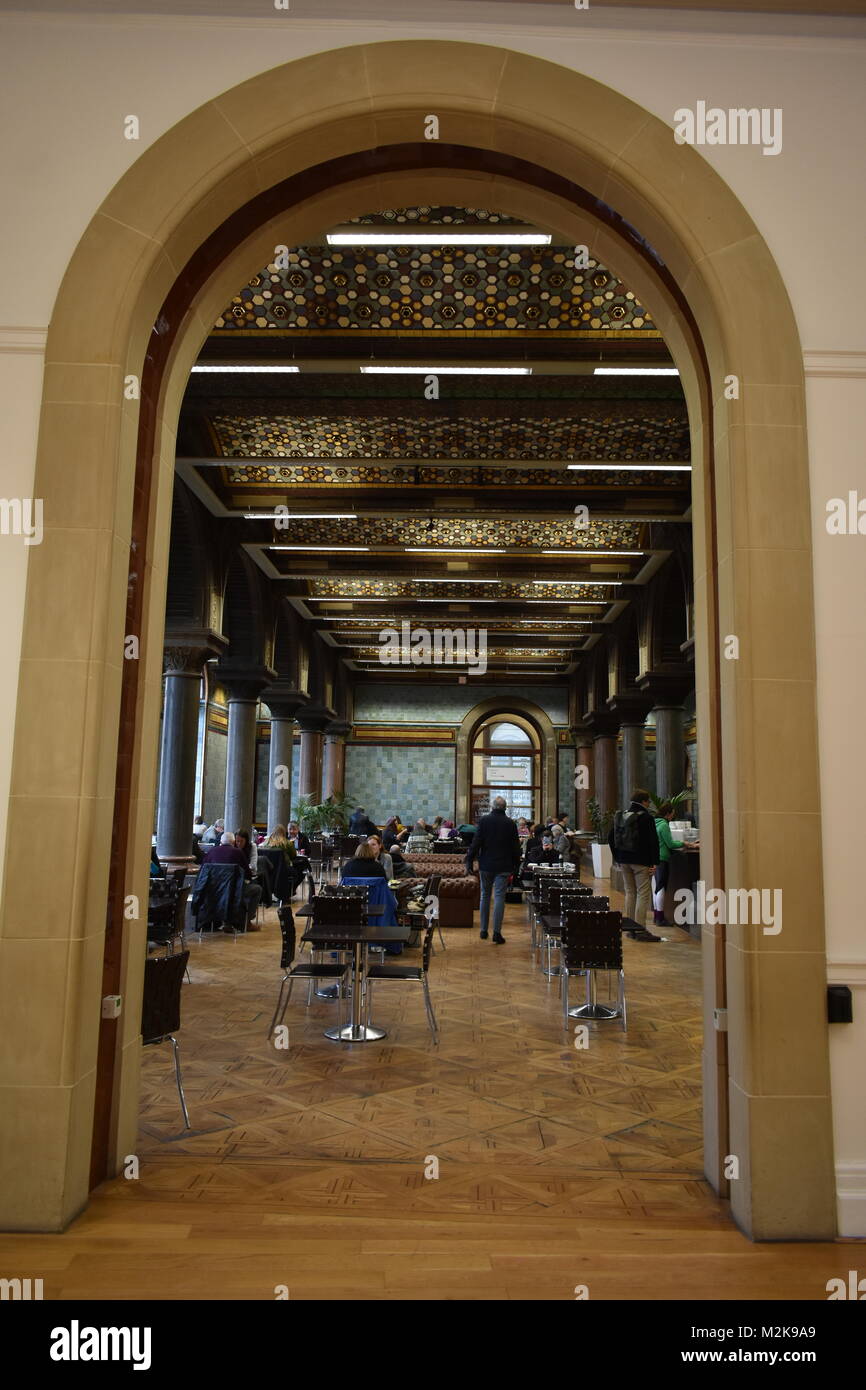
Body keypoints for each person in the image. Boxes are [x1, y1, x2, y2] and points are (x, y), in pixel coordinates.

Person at [465, 795, 522, 944]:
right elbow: (515, 847)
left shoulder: (484, 821)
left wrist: (469, 860)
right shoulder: (510, 823)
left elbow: (476, 842)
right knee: (499, 898)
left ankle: (483, 930)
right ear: (505, 808)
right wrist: (517, 865)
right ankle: (497, 933)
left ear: (492, 807)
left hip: (486, 865)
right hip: (503, 866)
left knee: (485, 896)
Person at [608, 789, 661, 941]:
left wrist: (617, 856)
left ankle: (630, 928)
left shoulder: (622, 815)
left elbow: (611, 836)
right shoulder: (646, 817)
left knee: (630, 892)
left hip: (624, 860)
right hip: (641, 861)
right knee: (643, 894)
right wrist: (654, 862)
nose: (649, 804)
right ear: (644, 801)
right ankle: (641, 929)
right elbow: (653, 841)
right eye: (648, 801)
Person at [203, 832, 263, 927]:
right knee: (257, 889)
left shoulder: (211, 851)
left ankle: (225, 921)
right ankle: (246, 922)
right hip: (234, 890)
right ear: (233, 842)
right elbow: (247, 874)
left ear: (221, 841)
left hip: (213, 890)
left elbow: (203, 871)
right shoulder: (238, 852)